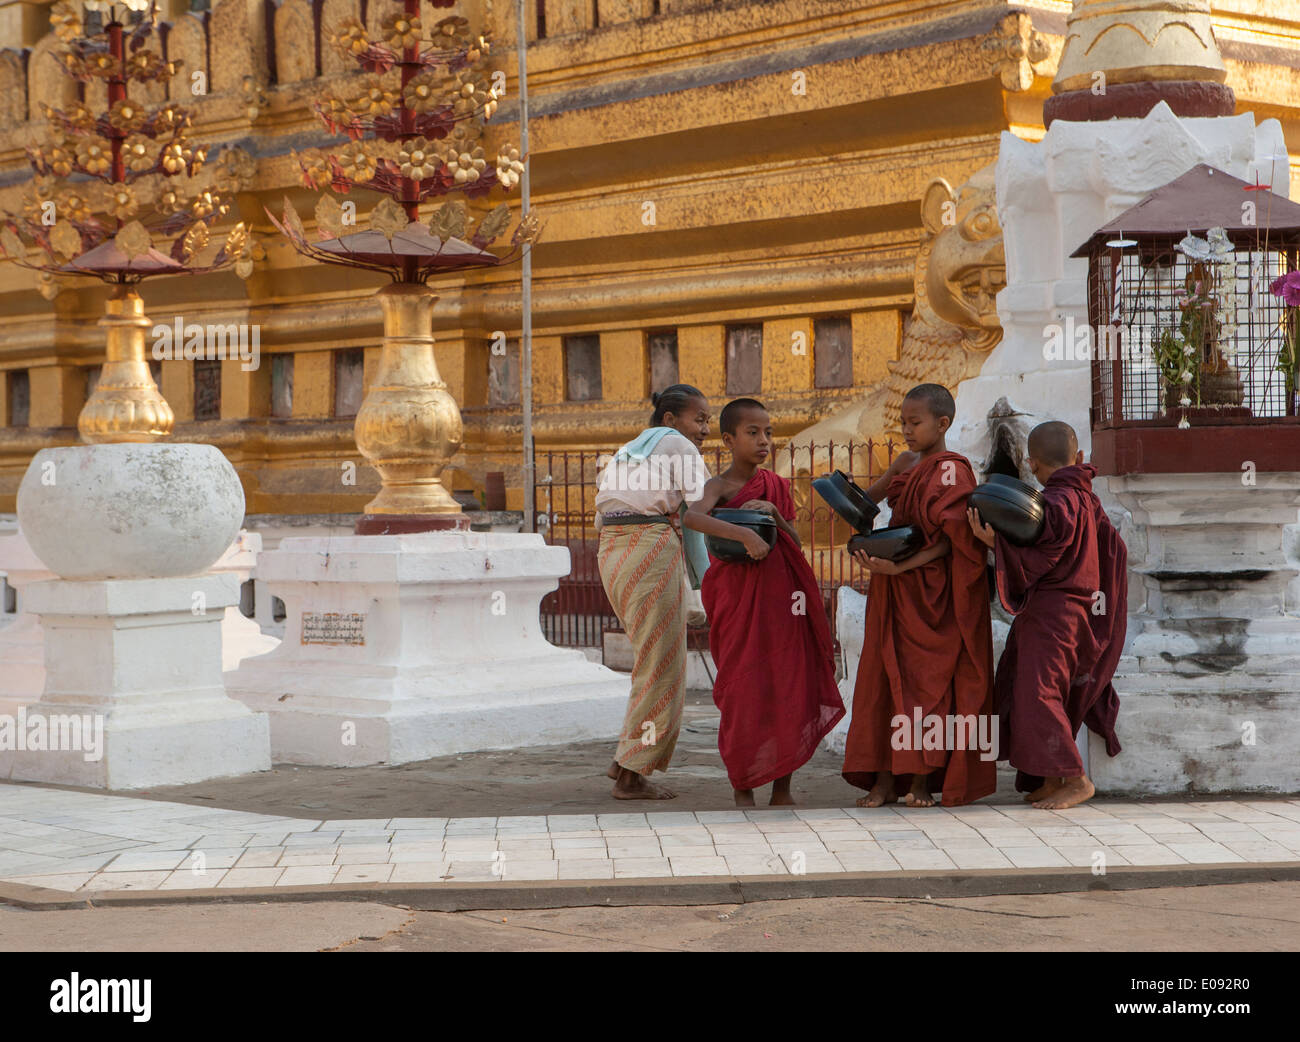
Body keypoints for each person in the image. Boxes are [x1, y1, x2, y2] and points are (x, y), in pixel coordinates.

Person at [595, 384, 772, 800]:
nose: (706, 429)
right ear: (671, 420)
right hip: (650, 546)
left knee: (648, 656)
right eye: (700, 419)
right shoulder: (678, 446)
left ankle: (626, 757)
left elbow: (604, 518)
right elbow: (697, 515)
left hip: (613, 553)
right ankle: (632, 775)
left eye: (708, 420)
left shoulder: (627, 452)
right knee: (663, 664)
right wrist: (747, 533)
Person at [841, 383, 996, 808]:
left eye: (915, 422)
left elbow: (954, 540)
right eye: (903, 422)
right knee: (887, 681)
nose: (907, 430)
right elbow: (866, 504)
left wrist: (900, 567)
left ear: (942, 424)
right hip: (893, 587)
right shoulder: (906, 461)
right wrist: (839, 494)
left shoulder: (952, 470)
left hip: (932, 592)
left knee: (929, 687)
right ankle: (886, 779)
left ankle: (922, 780)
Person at [689, 398, 845, 807]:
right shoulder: (717, 487)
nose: (764, 441)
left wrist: (775, 516)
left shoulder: (775, 486)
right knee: (742, 690)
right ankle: (743, 786)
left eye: (769, 433)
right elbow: (691, 518)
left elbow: (793, 541)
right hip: (737, 601)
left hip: (780, 602)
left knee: (785, 686)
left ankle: (782, 789)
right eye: (753, 432)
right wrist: (745, 535)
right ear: (728, 439)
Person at [967, 420, 1126, 810]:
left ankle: (1076, 778)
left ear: (1032, 464)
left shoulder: (1058, 501)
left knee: (1039, 694)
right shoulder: (1086, 499)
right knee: (1026, 688)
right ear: (1080, 458)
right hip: (1068, 612)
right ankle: (1051, 778)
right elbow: (1111, 550)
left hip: (1057, 612)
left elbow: (1044, 559)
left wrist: (995, 544)